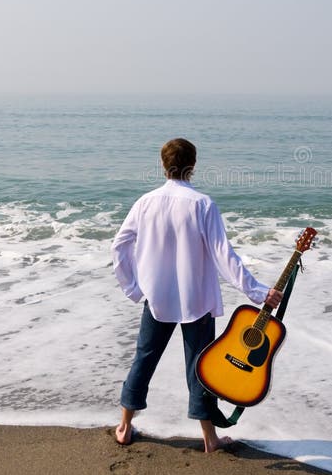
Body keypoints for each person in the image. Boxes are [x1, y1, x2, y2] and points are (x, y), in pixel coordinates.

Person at [111, 138, 283, 452]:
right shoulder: (202, 204)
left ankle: (124, 425)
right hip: (196, 300)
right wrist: (258, 292)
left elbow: (118, 246)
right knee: (201, 367)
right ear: (193, 166)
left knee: (144, 360)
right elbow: (224, 256)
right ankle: (209, 438)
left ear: (163, 165)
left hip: (157, 298)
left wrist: (133, 288)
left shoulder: (145, 202)